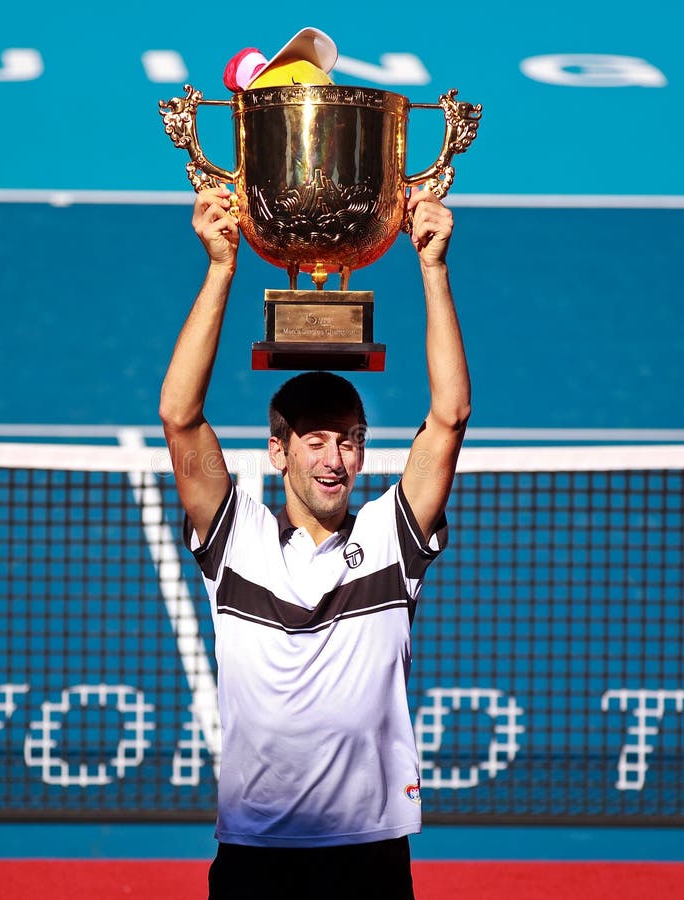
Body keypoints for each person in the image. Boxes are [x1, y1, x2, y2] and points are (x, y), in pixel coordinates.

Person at [159, 184, 471, 899]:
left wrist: (432, 269)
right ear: (278, 451)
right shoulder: (234, 538)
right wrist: (220, 270)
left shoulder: (393, 539)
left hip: (368, 855)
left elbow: (449, 417)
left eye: (352, 442)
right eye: (317, 441)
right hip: (256, 852)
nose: (337, 460)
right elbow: (180, 416)